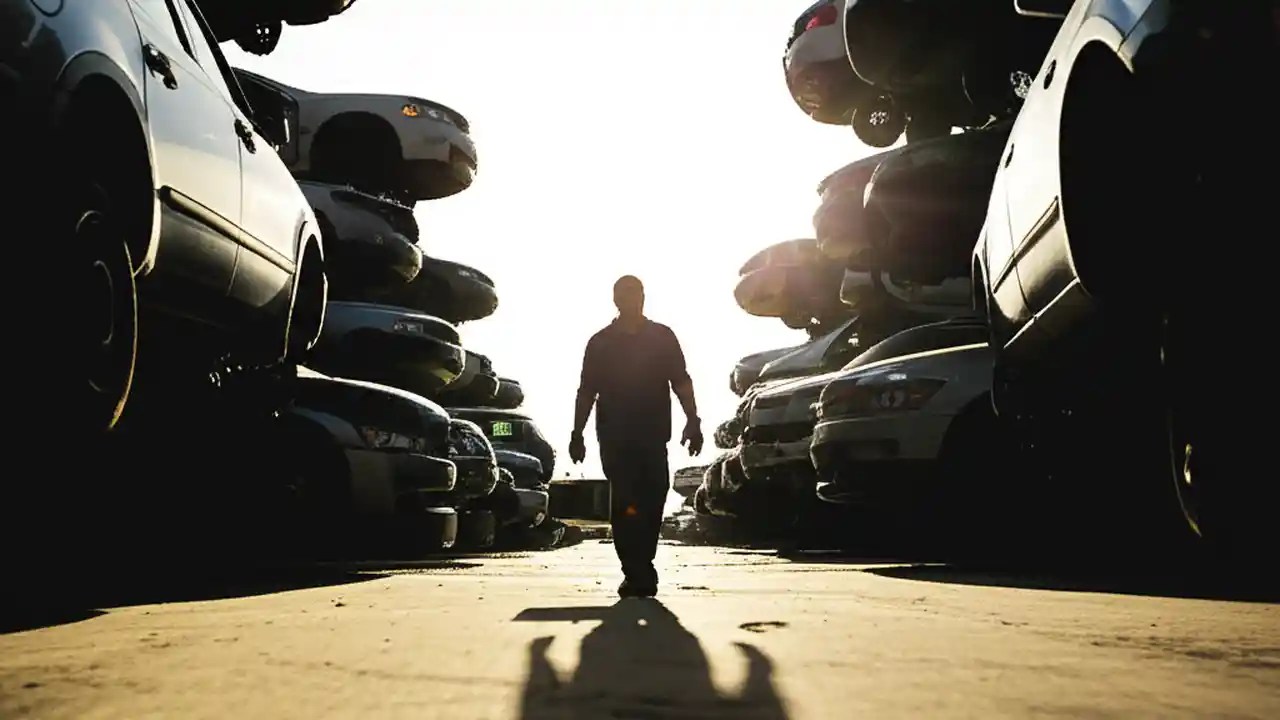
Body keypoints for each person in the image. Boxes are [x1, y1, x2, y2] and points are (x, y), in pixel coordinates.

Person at [570, 275, 702, 598]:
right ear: (616, 300)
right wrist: (577, 433)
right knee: (626, 503)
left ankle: (642, 563)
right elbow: (586, 391)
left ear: (644, 297)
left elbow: (681, 381)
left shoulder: (662, 337)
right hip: (616, 438)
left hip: (654, 437)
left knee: (655, 495)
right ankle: (636, 569)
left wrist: (693, 420)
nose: (633, 299)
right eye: (626, 294)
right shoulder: (600, 343)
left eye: (637, 293)